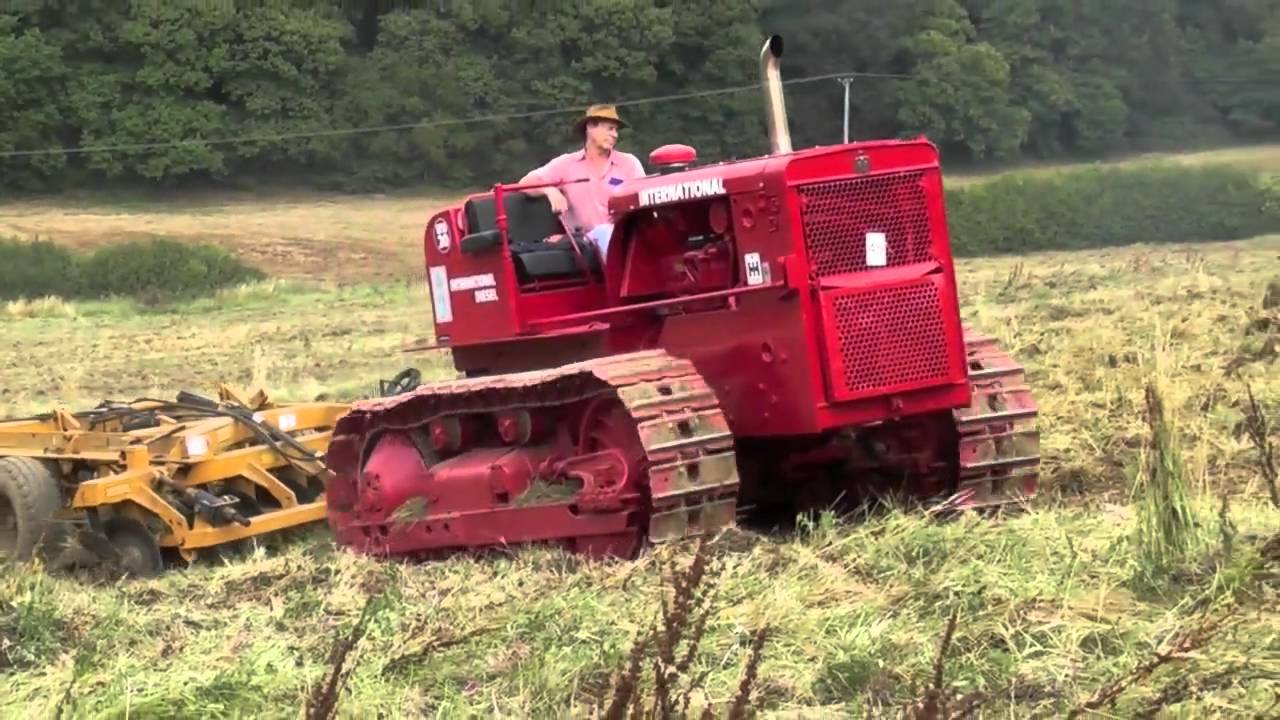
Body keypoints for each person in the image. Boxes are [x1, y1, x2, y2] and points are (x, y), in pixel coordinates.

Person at [519, 104, 646, 257]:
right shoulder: (566, 164)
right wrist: (549, 190)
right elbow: (524, 183)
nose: (615, 135)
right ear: (590, 127)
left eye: (616, 130)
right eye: (609, 128)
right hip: (586, 241)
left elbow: (644, 201)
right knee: (604, 232)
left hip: (627, 235)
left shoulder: (629, 163)